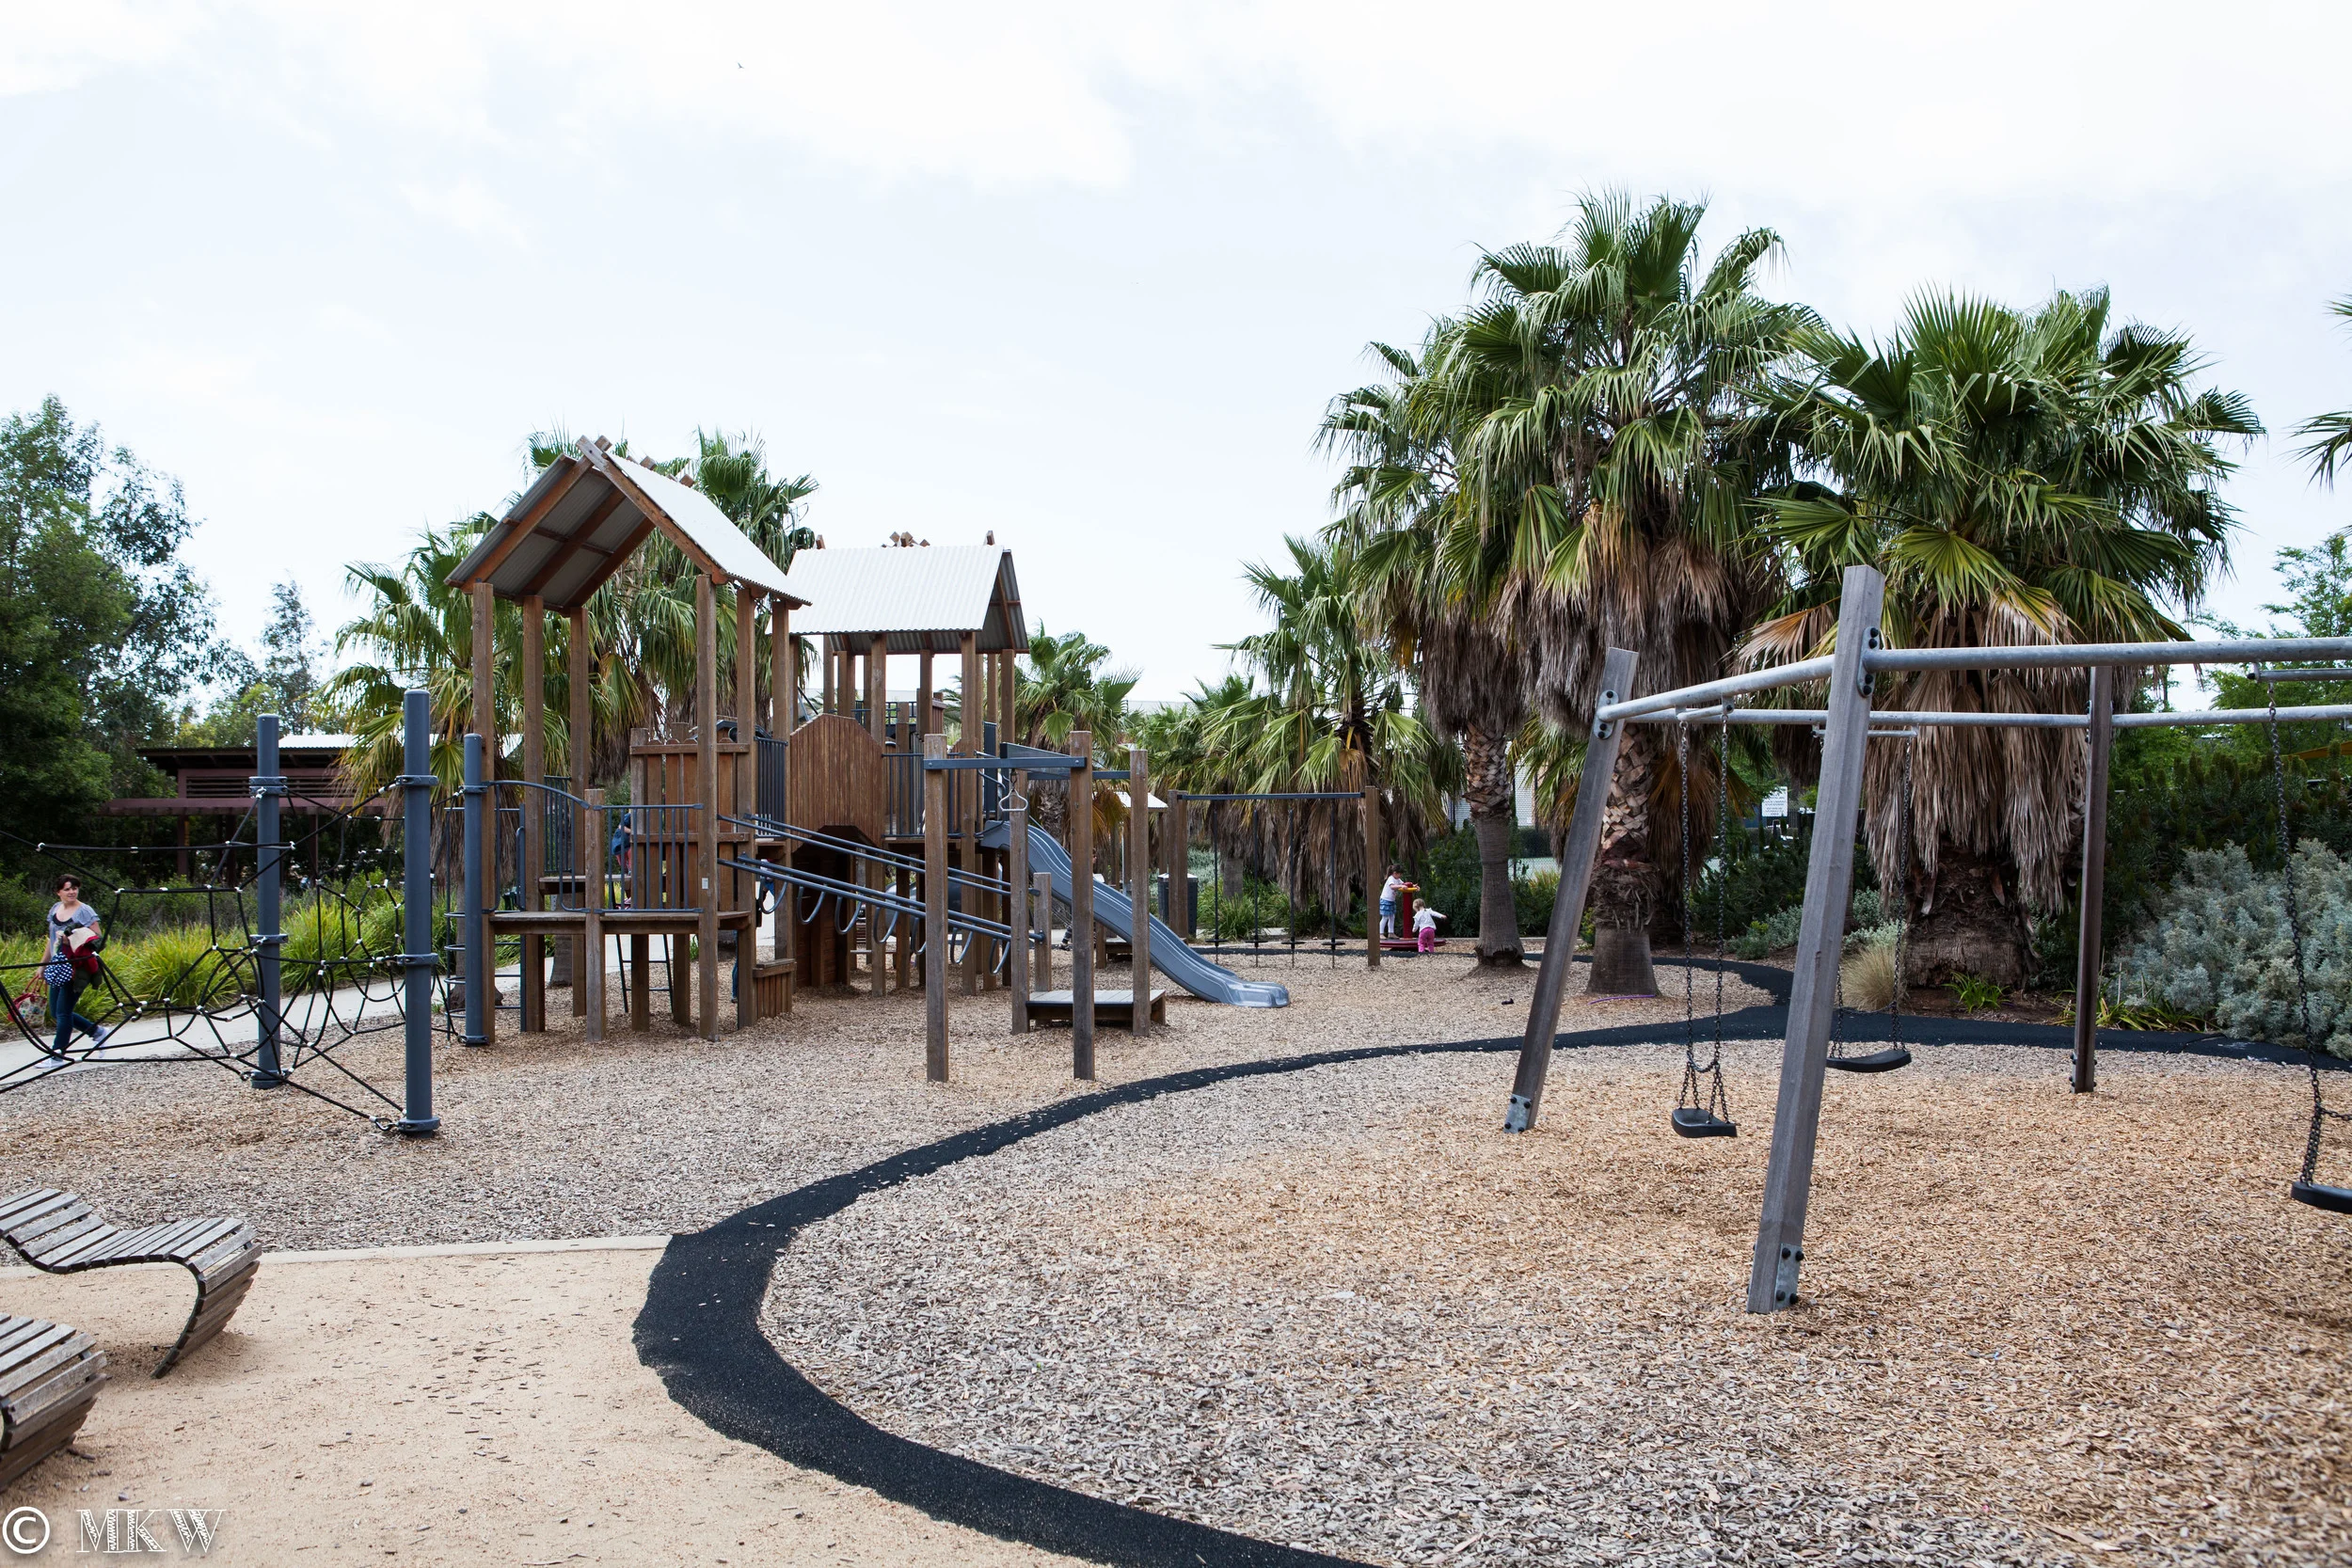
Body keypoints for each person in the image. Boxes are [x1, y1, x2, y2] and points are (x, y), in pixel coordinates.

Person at [43, 875, 109, 1056]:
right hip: (58, 965)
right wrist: (43, 966)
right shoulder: (55, 909)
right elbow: (51, 939)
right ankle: (98, 1032)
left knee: (64, 1012)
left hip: (77, 966)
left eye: (74, 888)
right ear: (58, 892)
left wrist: (71, 937)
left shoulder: (84, 911)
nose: (72, 892)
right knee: (56, 1013)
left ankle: (57, 1055)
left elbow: (98, 940)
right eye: (67, 889)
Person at [1379, 864, 1408, 939]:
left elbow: (1404, 884)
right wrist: (1401, 886)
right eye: (1400, 874)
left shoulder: (1398, 879)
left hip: (1391, 900)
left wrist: (1413, 886)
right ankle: (1380, 933)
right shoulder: (1391, 878)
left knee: (1392, 916)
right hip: (1385, 900)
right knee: (1385, 917)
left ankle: (1391, 933)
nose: (1400, 875)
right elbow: (1392, 887)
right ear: (1395, 873)